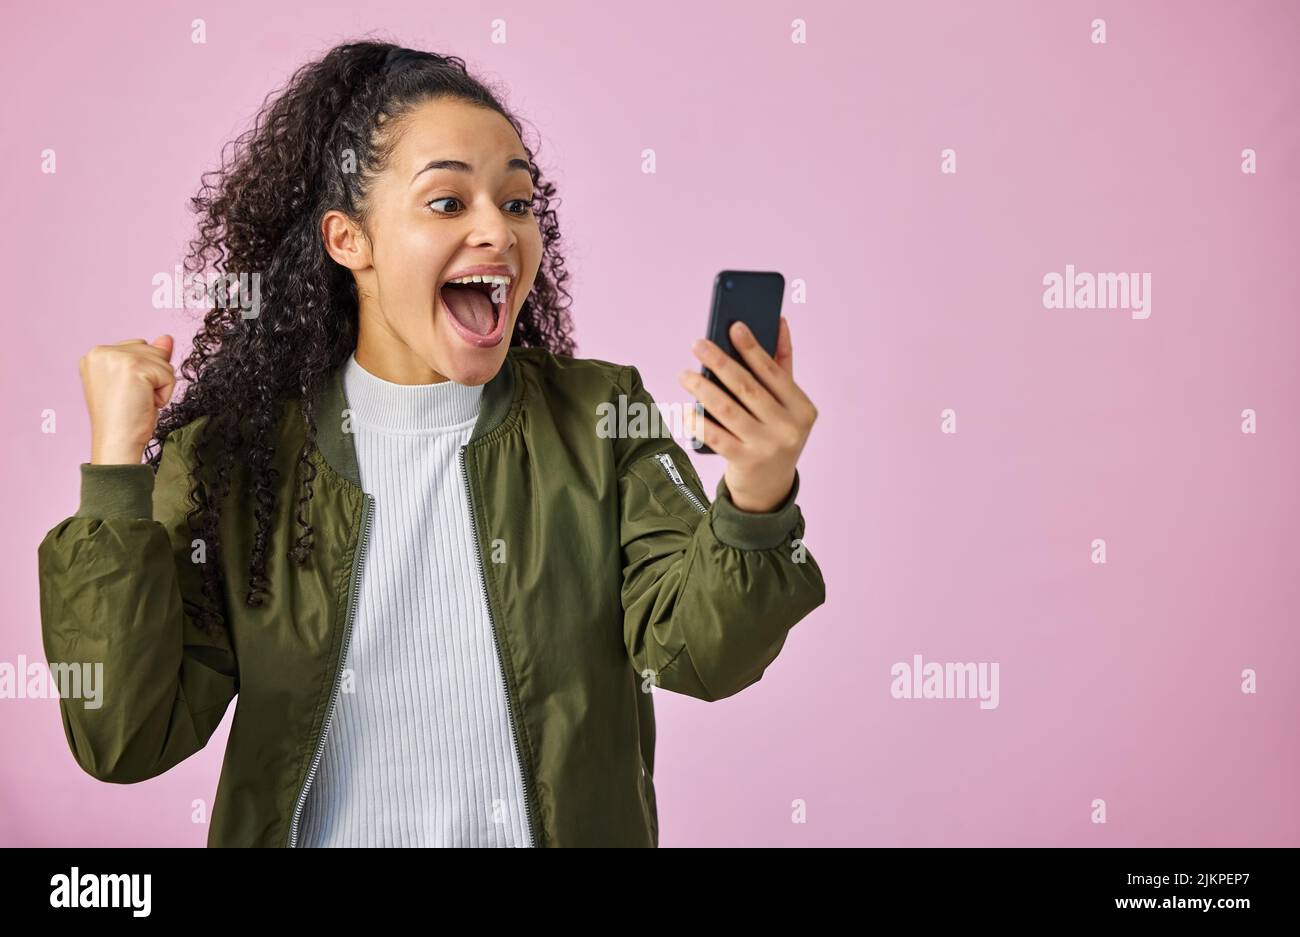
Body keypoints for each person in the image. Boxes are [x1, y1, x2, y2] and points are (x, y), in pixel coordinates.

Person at [37, 40, 826, 847]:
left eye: (517, 203)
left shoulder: (598, 415)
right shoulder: (234, 456)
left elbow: (698, 654)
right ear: (351, 241)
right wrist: (113, 473)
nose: (500, 231)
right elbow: (125, 738)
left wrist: (757, 493)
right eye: (448, 203)